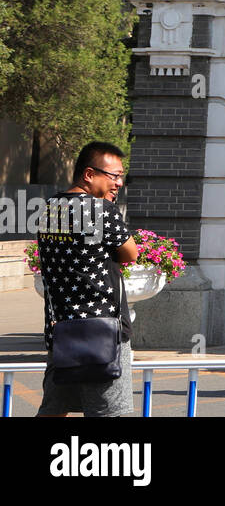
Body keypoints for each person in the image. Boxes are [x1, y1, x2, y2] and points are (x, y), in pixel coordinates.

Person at [36, 142, 138, 418]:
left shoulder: (50, 209)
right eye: (113, 176)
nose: (118, 183)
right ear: (89, 175)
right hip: (103, 334)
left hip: (63, 331)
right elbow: (131, 253)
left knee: (54, 410)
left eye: (121, 176)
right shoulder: (102, 210)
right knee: (111, 414)